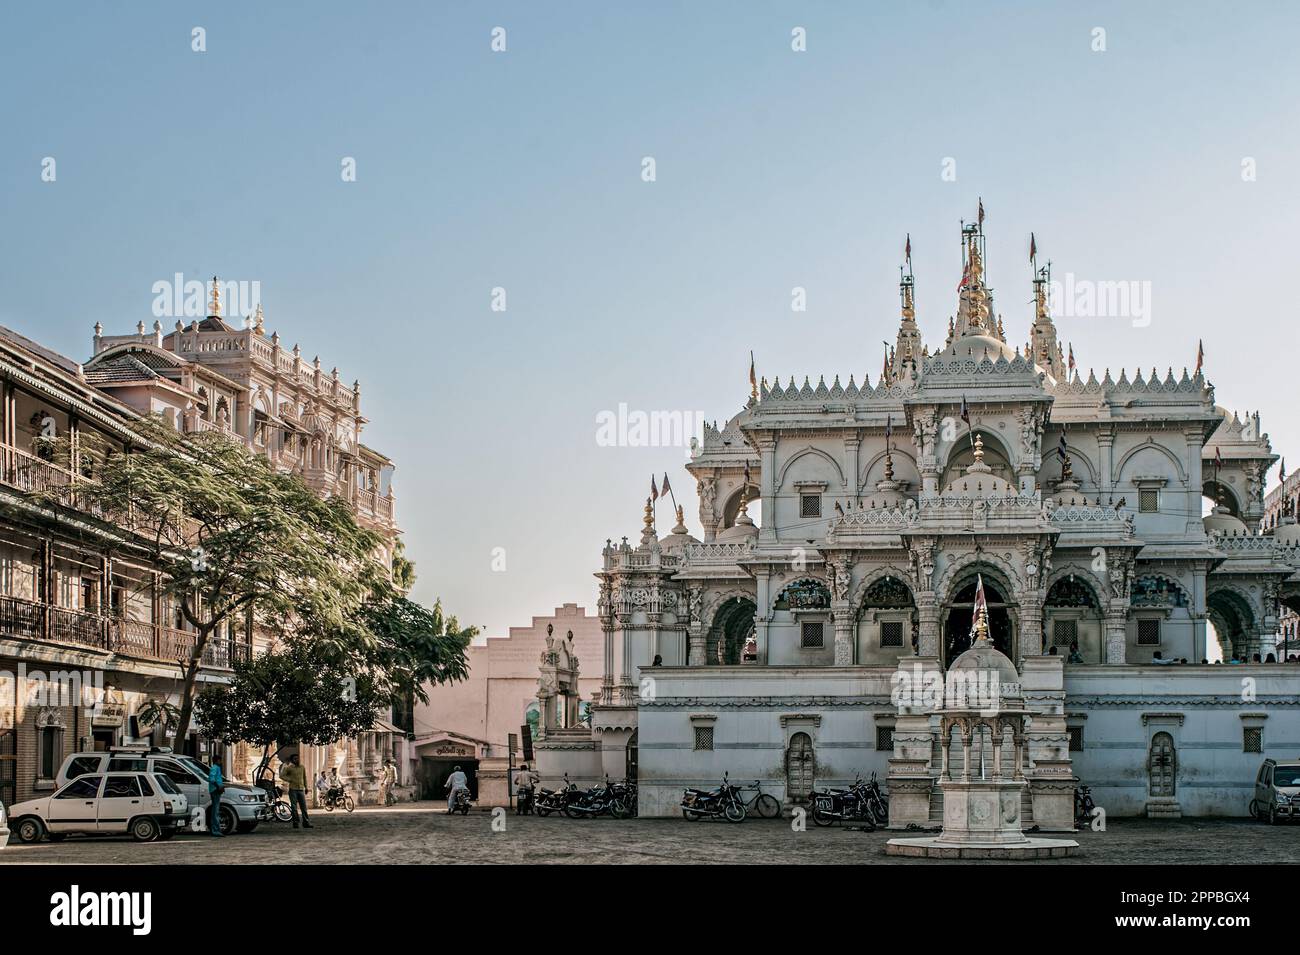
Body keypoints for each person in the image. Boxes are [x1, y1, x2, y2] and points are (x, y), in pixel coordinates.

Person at [280, 753, 313, 829]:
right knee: (294, 807)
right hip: (293, 789)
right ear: (292, 760)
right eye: (295, 759)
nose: (296, 760)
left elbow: (304, 777)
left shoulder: (302, 767)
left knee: (304, 807)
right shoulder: (289, 768)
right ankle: (296, 822)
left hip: (301, 789)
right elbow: (282, 775)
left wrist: (306, 787)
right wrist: (289, 780)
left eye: (297, 758)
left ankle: (306, 822)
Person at [207, 760, 225, 837]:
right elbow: (211, 779)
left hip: (216, 789)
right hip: (215, 790)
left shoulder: (217, 768)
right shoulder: (215, 768)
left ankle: (215, 829)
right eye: (219, 760)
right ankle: (215, 830)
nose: (221, 762)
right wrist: (218, 787)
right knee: (215, 810)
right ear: (217, 760)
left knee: (215, 810)